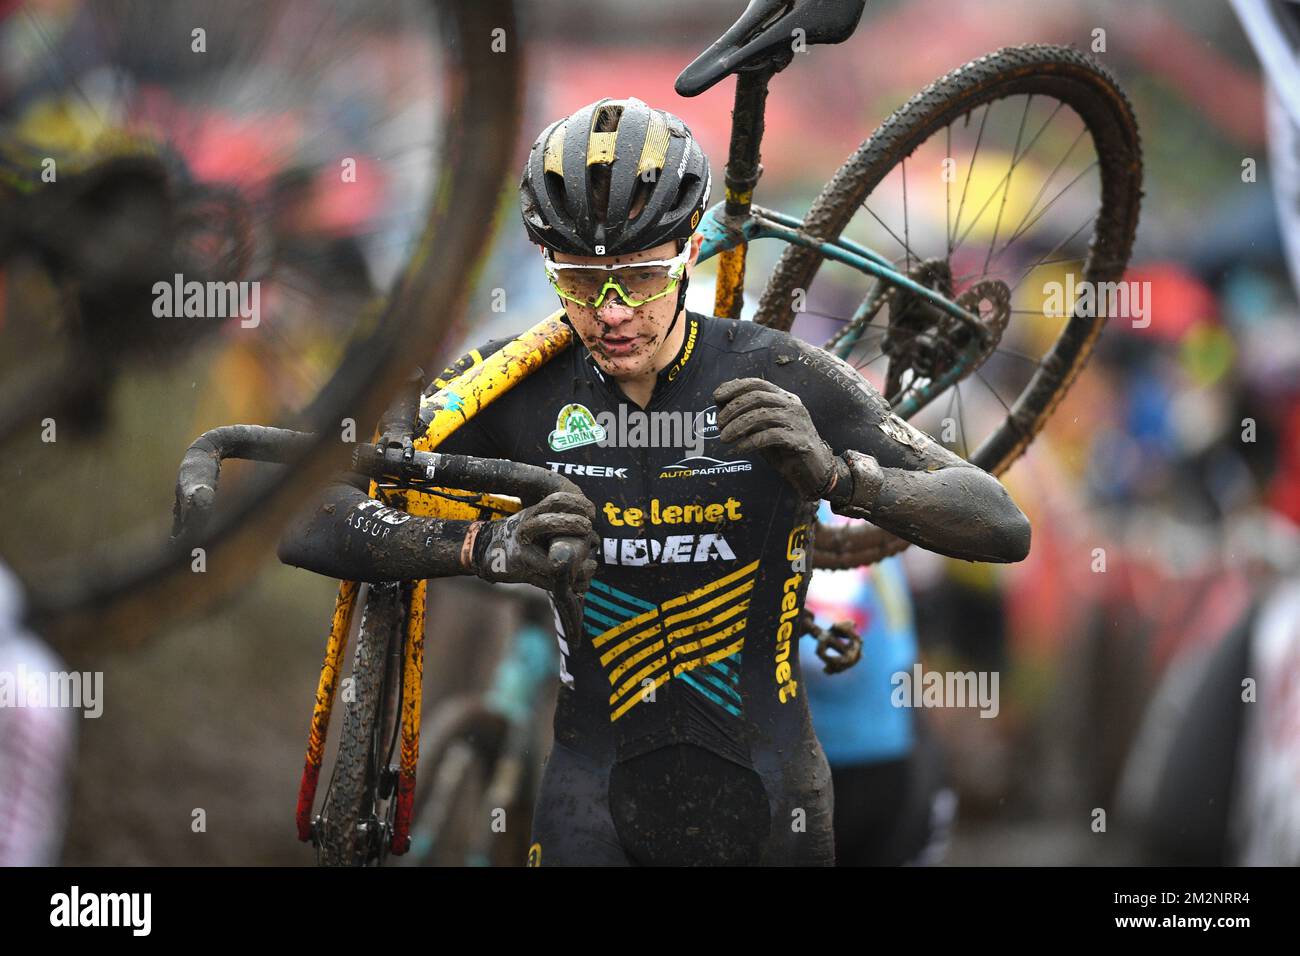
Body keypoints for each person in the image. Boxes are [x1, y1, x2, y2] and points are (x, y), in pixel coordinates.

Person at [278, 96, 1031, 866]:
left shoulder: (779, 371)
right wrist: (484, 545)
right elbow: (306, 515)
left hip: (770, 809)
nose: (610, 312)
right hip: (591, 808)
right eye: (578, 278)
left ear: (686, 249)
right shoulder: (511, 385)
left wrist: (843, 476)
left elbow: (1001, 523)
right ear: (547, 264)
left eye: (638, 276)